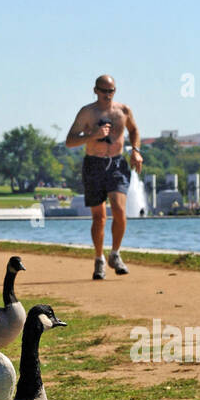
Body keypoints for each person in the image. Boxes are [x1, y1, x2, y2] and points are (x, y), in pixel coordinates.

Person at [65, 74, 143, 280]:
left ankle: (115, 254)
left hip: (117, 164)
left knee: (119, 209)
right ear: (95, 90)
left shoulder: (123, 111)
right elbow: (70, 141)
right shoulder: (87, 113)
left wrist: (135, 150)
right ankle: (99, 259)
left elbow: (134, 130)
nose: (108, 95)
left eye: (111, 91)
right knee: (99, 217)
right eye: (104, 91)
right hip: (93, 165)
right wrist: (92, 136)